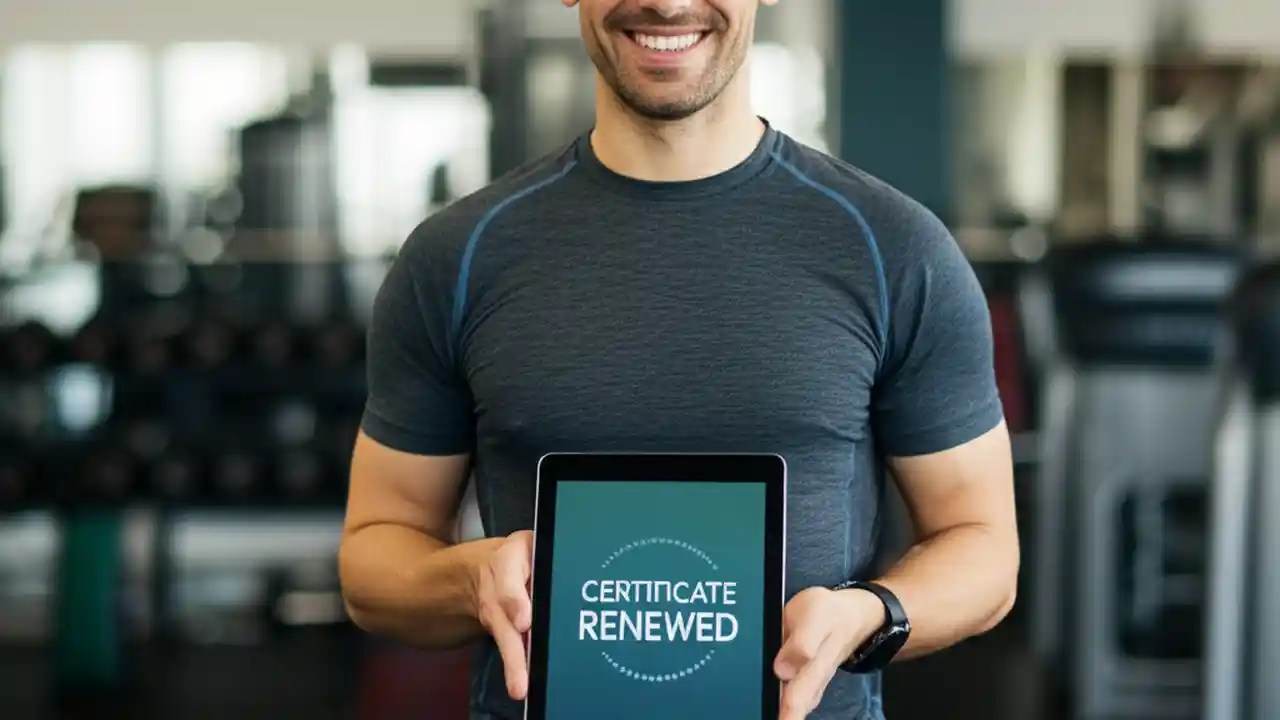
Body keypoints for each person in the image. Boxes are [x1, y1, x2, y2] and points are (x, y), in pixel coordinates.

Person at [338, 0, 1020, 718]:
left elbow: (983, 549)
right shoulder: (456, 258)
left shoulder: (894, 250)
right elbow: (373, 558)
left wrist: (872, 615)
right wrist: (469, 581)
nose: (666, 3)